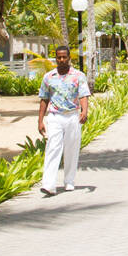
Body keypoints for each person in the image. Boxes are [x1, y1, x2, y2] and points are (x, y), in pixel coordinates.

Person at [37, 45, 90, 197]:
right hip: (55, 117)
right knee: (53, 148)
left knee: (71, 149)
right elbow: (44, 99)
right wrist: (40, 120)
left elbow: (83, 95)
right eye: (58, 57)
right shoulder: (48, 77)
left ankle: (69, 181)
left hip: (72, 116)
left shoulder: (78, 75)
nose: (61, 60)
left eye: (64, 57)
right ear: (55, 58)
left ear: (69, 58)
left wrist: (84, 111)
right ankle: (49, 184)